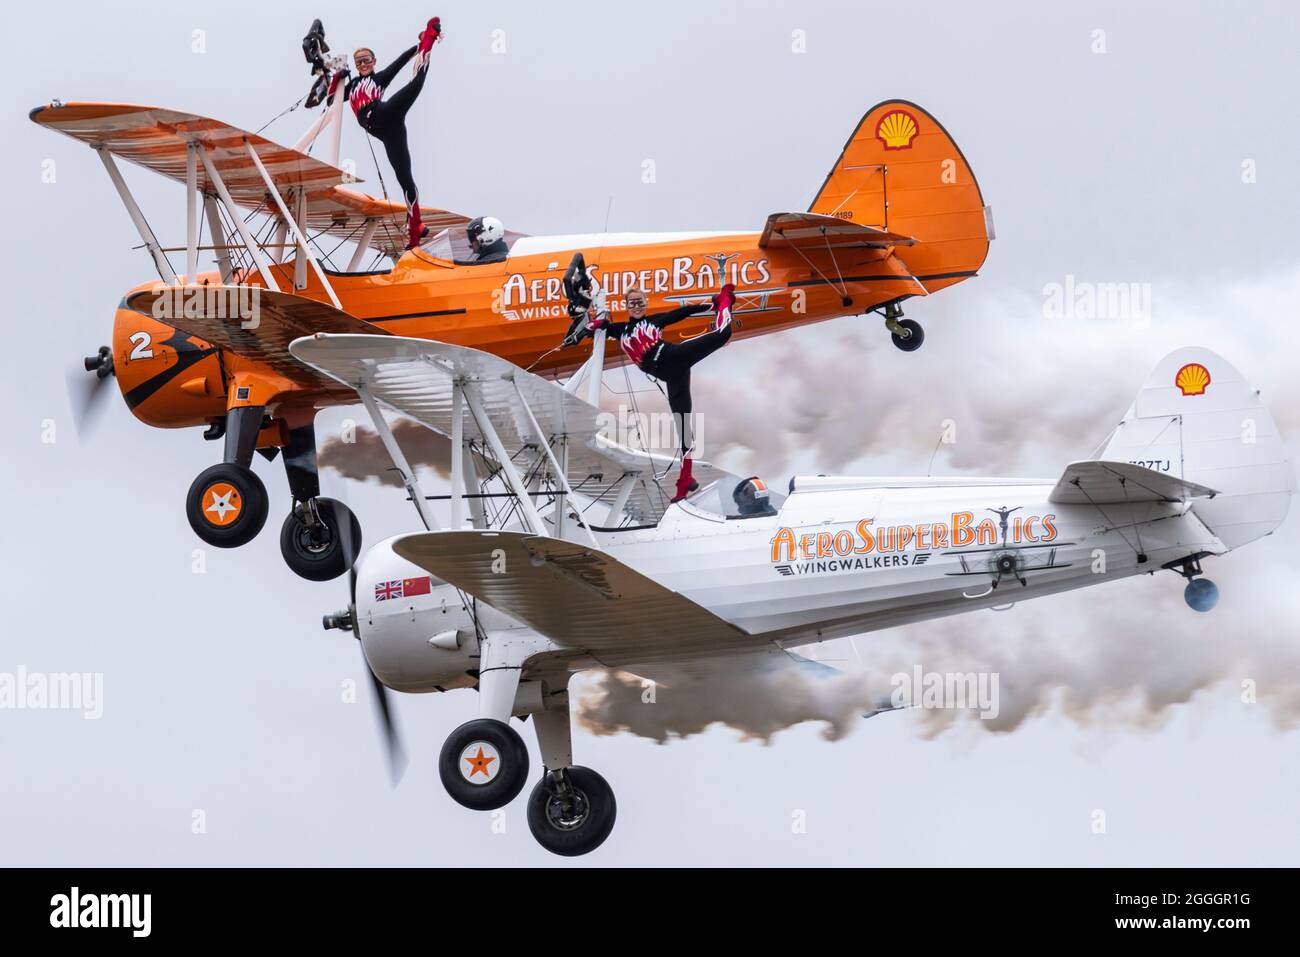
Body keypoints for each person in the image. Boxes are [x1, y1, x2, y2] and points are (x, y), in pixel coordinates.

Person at [584, 283, 737, 501]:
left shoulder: (654, 321)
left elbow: (680, 313)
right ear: (626, 306)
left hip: (673, 356)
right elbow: (598, 327)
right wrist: (589, 326)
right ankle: (685, 479)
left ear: (645, 304)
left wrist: (711, 305)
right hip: (672, 377)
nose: (636, 306)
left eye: (639, 302)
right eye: (632, 303)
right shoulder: (620, 330)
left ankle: (725, 301)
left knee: (724, 333)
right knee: (683, 427)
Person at [346, 17, 442, 250]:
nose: (363, 64)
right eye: (359, 62)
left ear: (374, 61)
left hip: (384, 115)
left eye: (366, 60)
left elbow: (400, 62)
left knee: (416, 83)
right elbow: (329, 97)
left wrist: (419, 43)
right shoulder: (349, 86)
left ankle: (430, 37)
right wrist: (336, 76)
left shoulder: (378, 79)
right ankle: (415, 225)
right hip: (384, 131)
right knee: (403, 176)